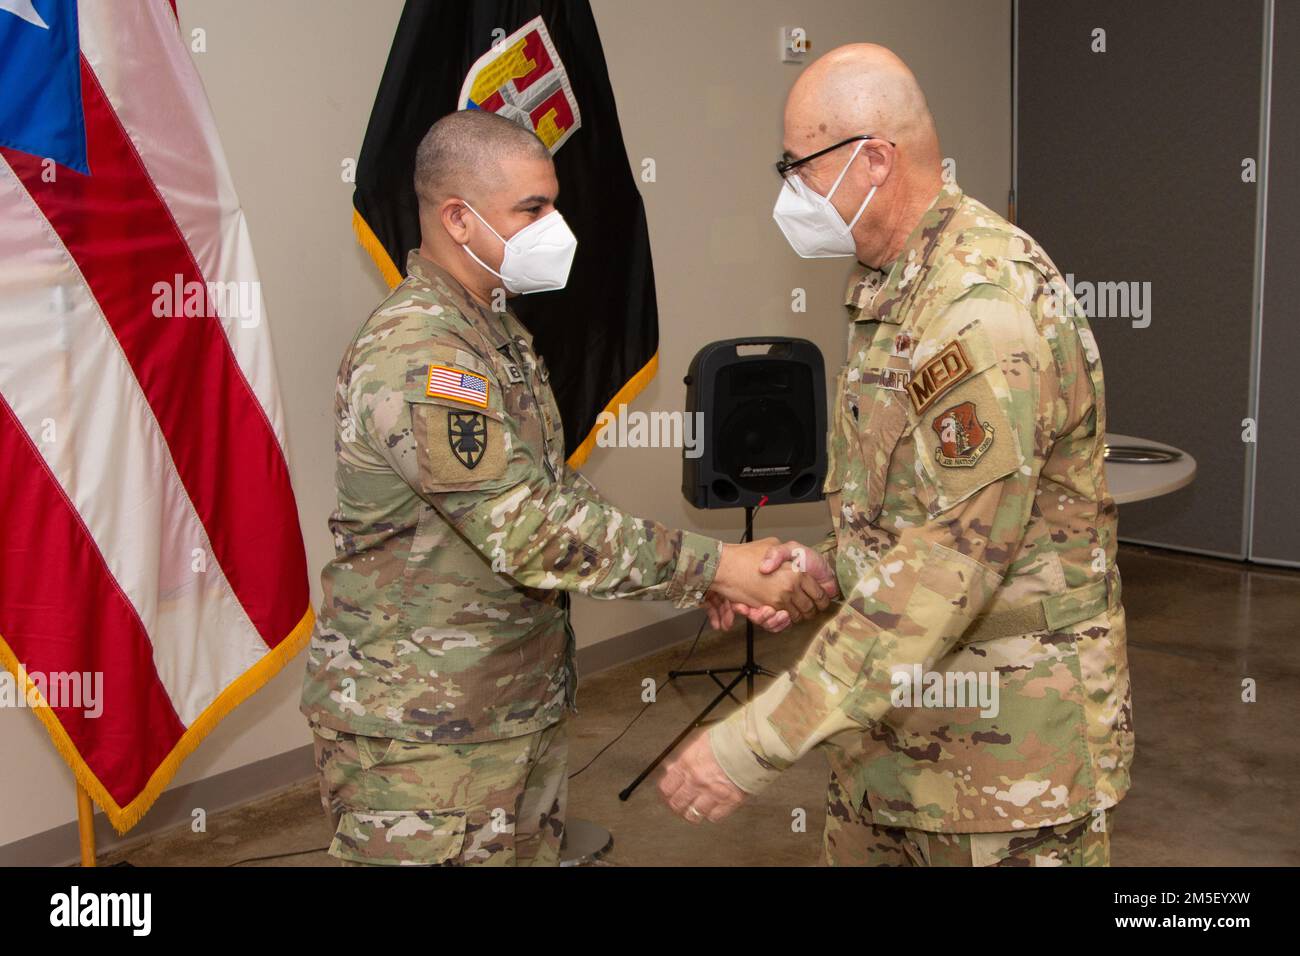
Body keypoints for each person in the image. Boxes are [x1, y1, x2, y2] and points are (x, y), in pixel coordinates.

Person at [300, 109, 836, 866]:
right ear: (459, 218)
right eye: (533, 209)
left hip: (512, 708)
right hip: (422, 736)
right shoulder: (420, 351)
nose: (557, 226)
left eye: (554, 203)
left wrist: (702, 576)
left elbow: (558, 496)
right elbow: (526, 530)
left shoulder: (498, 335)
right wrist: (720, 567)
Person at [661, 43, 1132, 868]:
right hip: (894, 751)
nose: (788, 190)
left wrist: (754, 741)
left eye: (796, 163)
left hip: (1003, 769)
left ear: (873, 159)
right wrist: (823, 568)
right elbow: (913, 518)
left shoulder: (978, 309)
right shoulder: (894, 288)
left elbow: (949, 566)